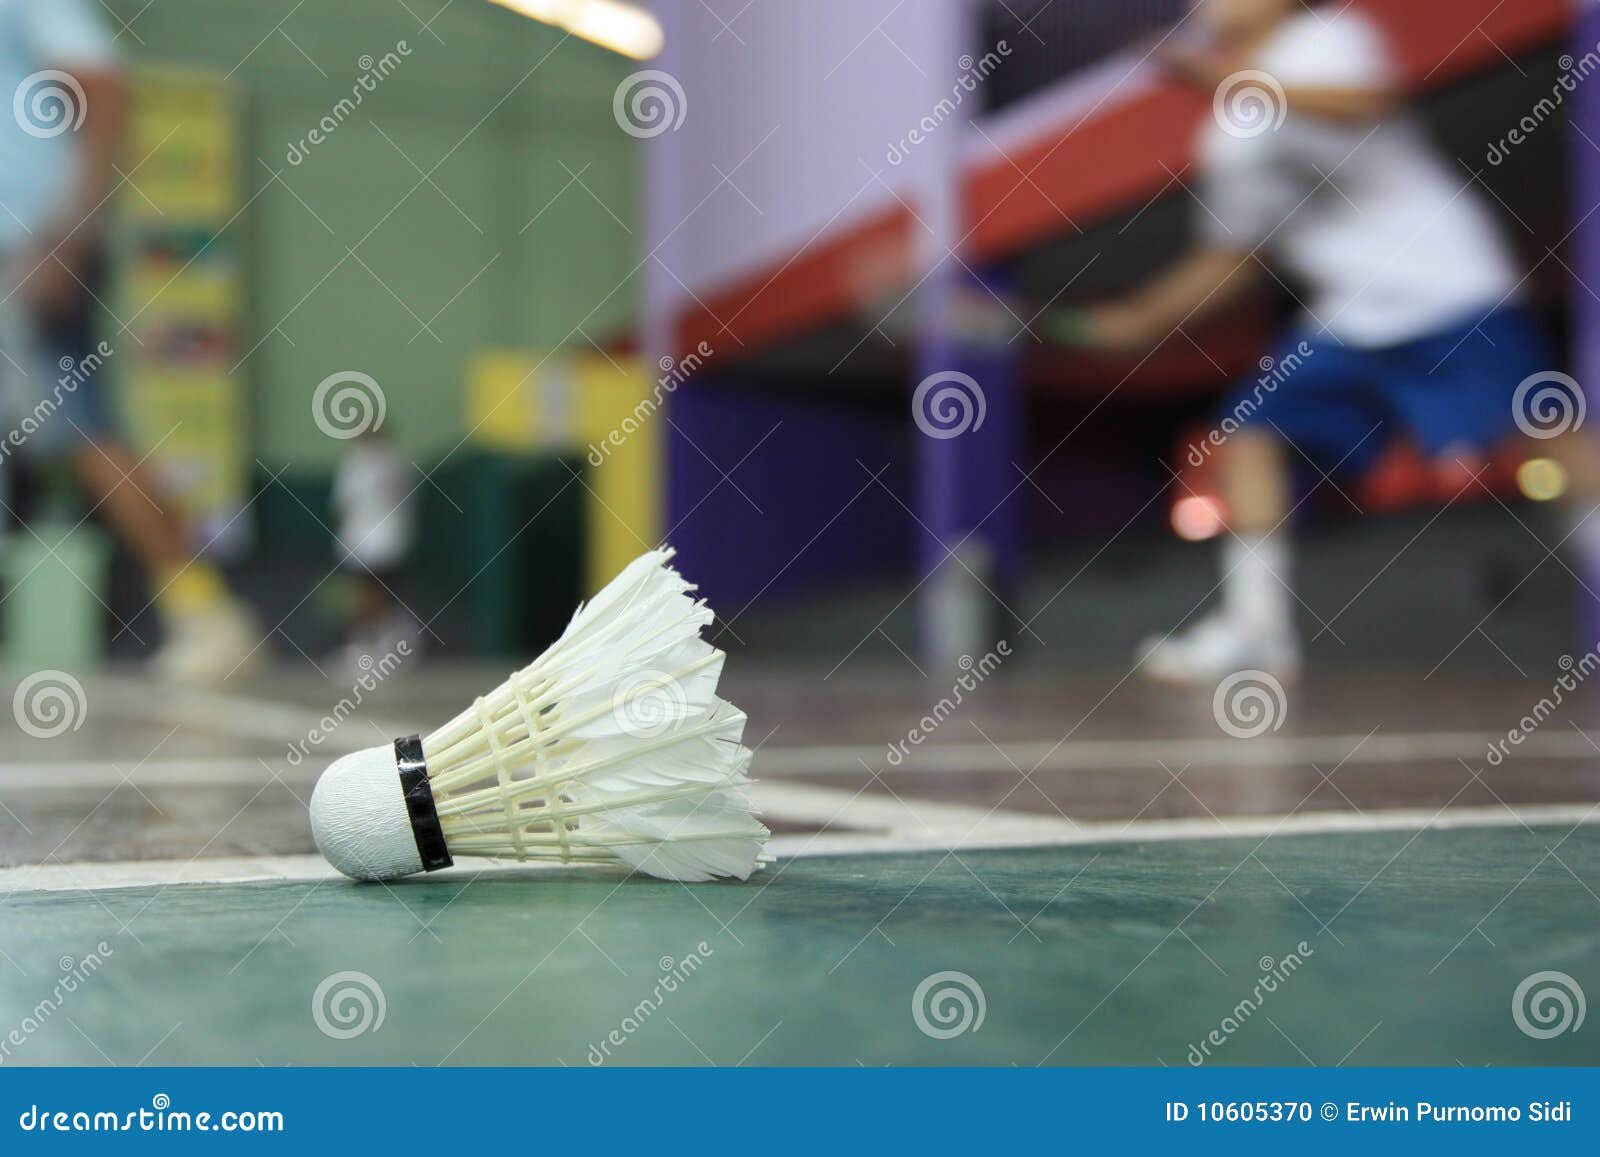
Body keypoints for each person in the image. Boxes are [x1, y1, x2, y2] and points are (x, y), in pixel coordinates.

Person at [1050, 0, 1598, 683]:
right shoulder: (1227, 138)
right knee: (1248, 436)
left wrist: (1233, 80)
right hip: (1347, 315)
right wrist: (1137, 320)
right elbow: (1235, 260)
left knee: (1546, 435)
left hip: (1449, 286)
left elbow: (1365, 104)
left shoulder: (1328, 38)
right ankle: (1258, 635)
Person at [0, 0, 259, 682]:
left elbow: (103, 85)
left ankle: (205, 609)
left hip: (34, 249)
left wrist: (70, 228)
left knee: (82, 430)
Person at [331, 426, 420, 668]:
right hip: (368, 542)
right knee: (368, 595)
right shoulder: (360, 463)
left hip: (381, 543)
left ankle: (385, 648)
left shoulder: (384, 463)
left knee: (379, 594)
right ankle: (370, 646)